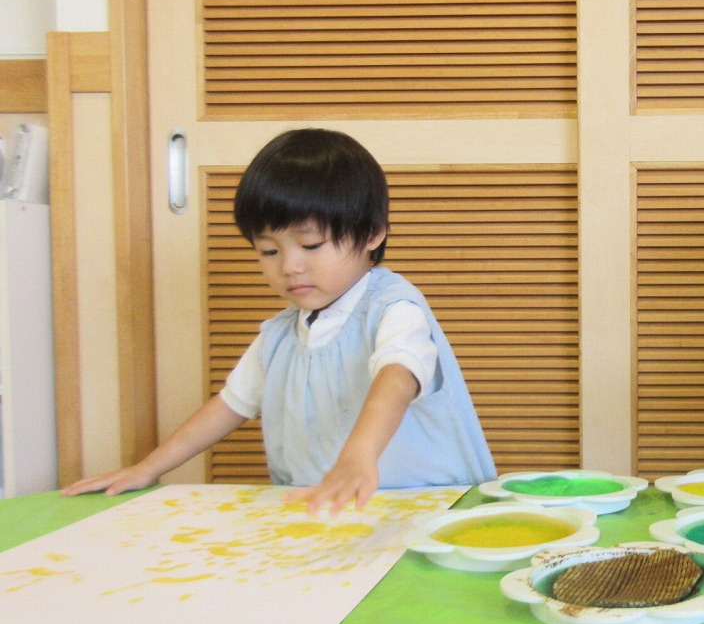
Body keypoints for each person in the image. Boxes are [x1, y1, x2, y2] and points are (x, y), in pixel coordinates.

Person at [65, 128, 496, 515]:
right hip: (332, 511)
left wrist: (359, 454)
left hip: (428, 508)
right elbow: (229, 406)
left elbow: (398, 377)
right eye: (269, 251)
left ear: (372, 234)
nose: (289, 266)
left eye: (311, 244)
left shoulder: (393, 307)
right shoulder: (280, 336)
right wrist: (148, 467)